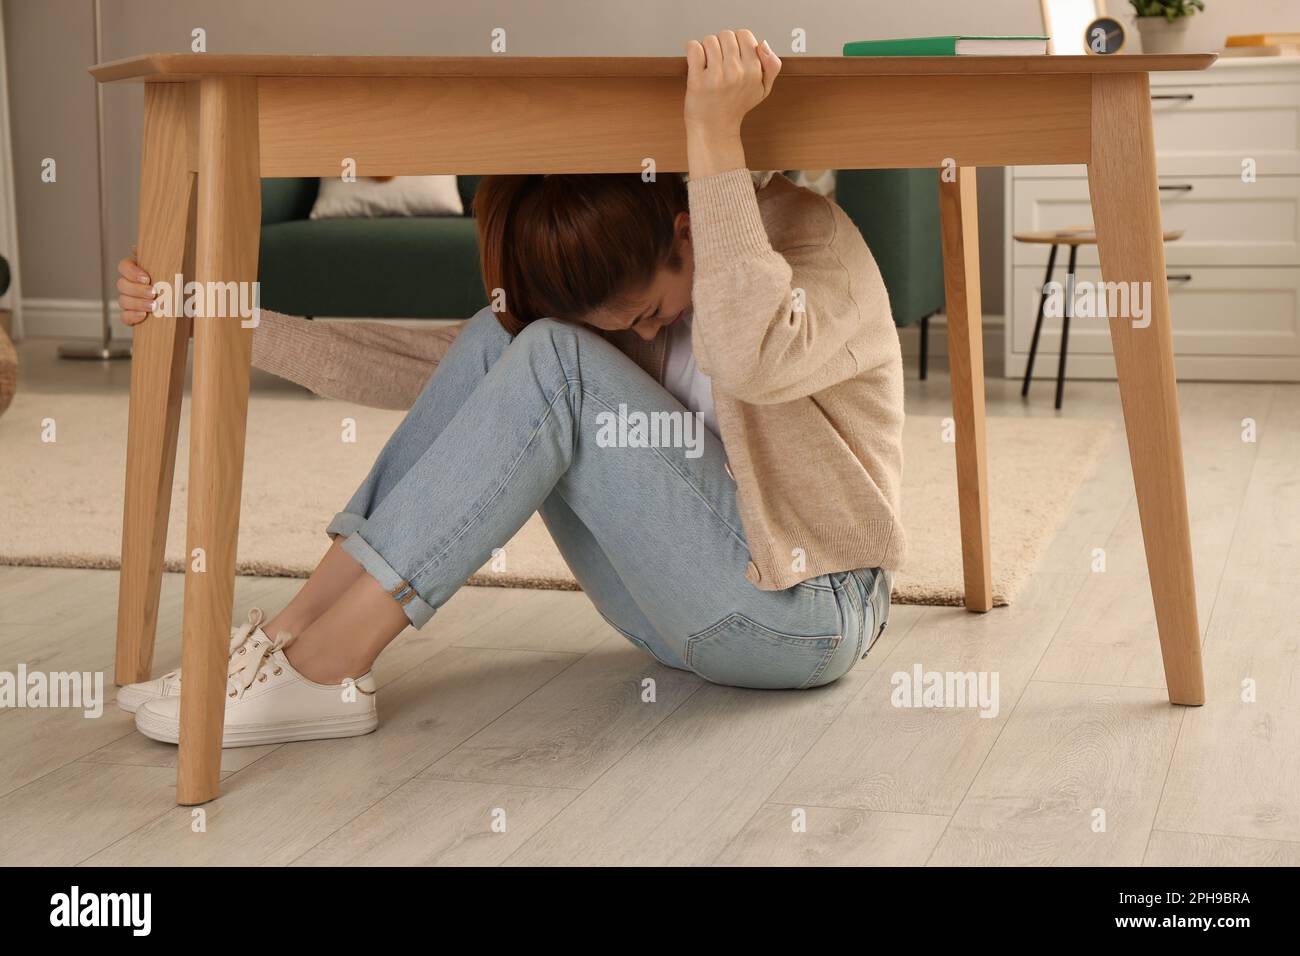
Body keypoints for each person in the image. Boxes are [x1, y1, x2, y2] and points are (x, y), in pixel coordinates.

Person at [113, 29, 905, 748]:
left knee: (553, 357)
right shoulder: (625, 284)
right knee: (507, 339)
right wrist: (213, 316)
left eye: (652, 314)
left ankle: (327, 667)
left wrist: (711, 135)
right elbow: (434, 372)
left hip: (809, 610)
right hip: (679, 607)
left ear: (689, 232)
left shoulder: (813, 243)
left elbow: (749, 354)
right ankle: (287, 640)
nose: (647, 335)